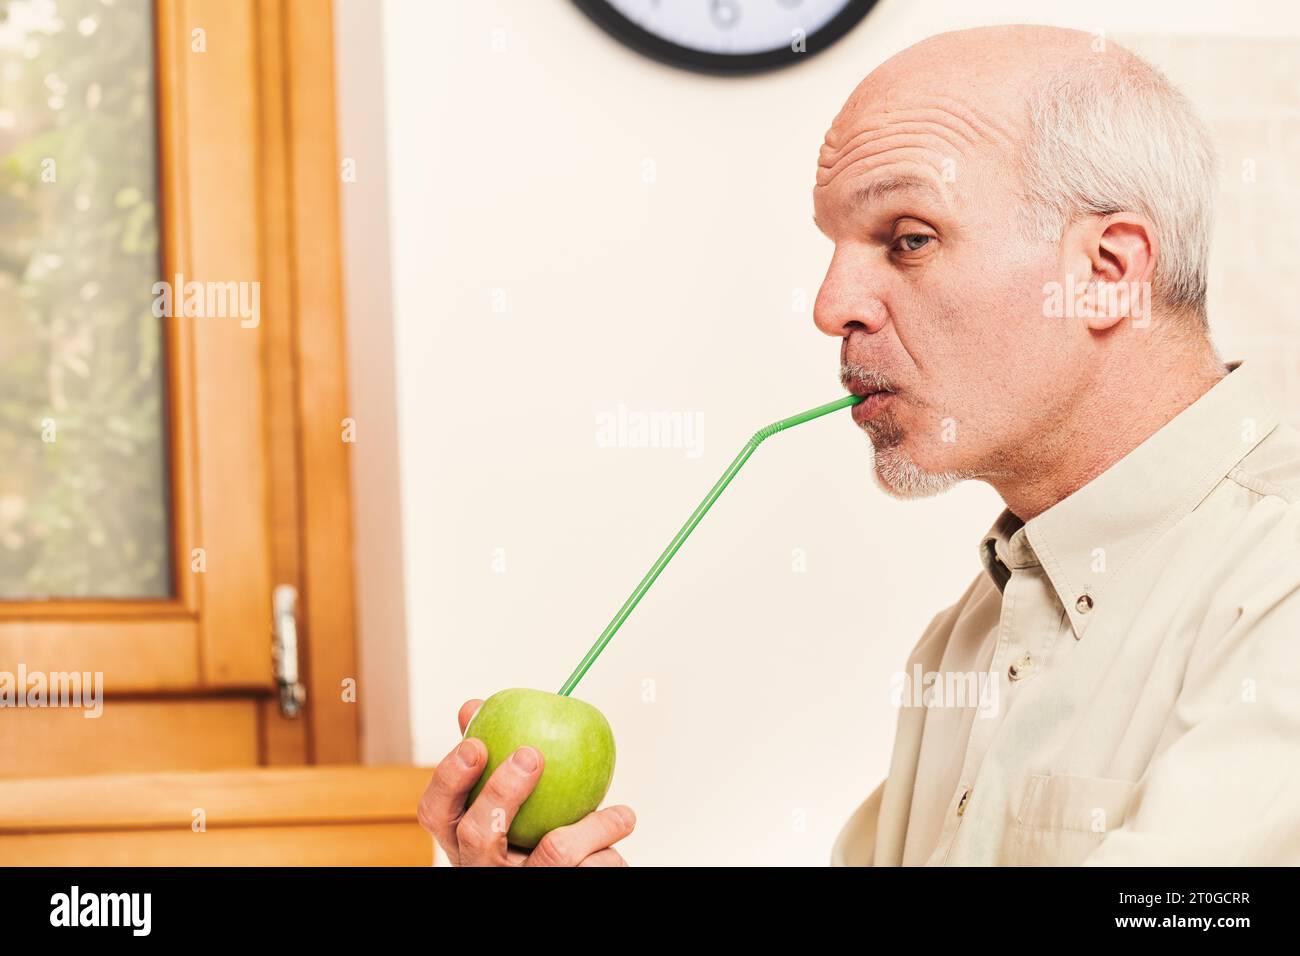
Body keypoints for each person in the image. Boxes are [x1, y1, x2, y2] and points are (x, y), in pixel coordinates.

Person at [418, 23, 1300, 866]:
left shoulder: (1279, 585)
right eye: (836, 248)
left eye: (907, 239)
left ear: (1106, 273)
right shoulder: (970, 635)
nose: (831, 304)